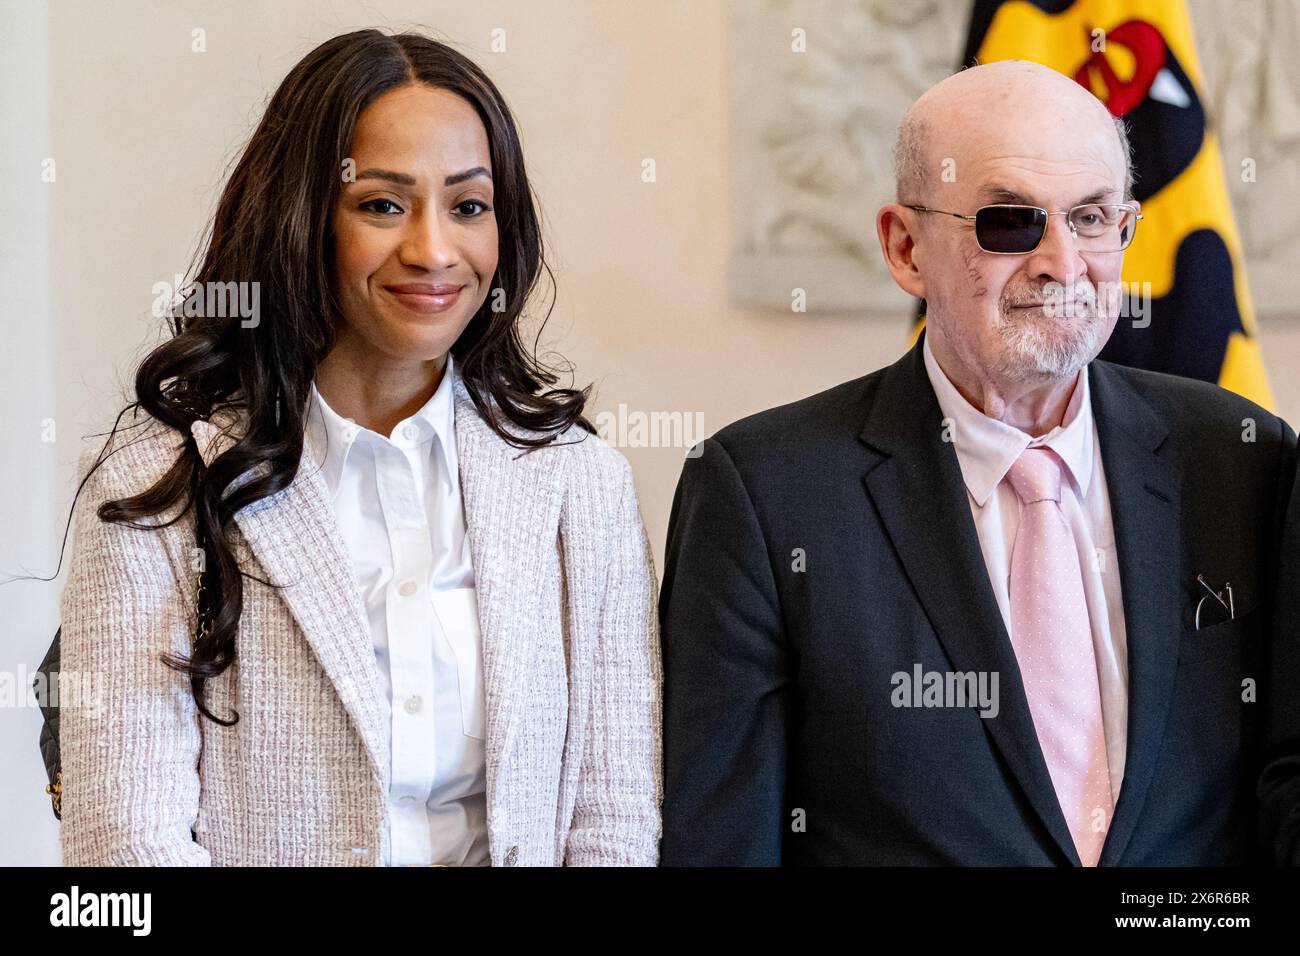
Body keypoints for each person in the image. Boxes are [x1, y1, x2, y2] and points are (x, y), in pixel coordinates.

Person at [659, 60, 1298, 865]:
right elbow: (723, 845)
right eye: (1010, 222)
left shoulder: (1242, 458)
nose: (1063, 264)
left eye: (1093, 218)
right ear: (904, 247)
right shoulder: (763, 493)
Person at [58, 29, 661, 867]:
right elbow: (126, 842)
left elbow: (614, 817)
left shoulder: (578, 484)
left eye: (469, 205)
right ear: (302, 218)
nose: (434, 250)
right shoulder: (155, 486)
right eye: (382, 204)